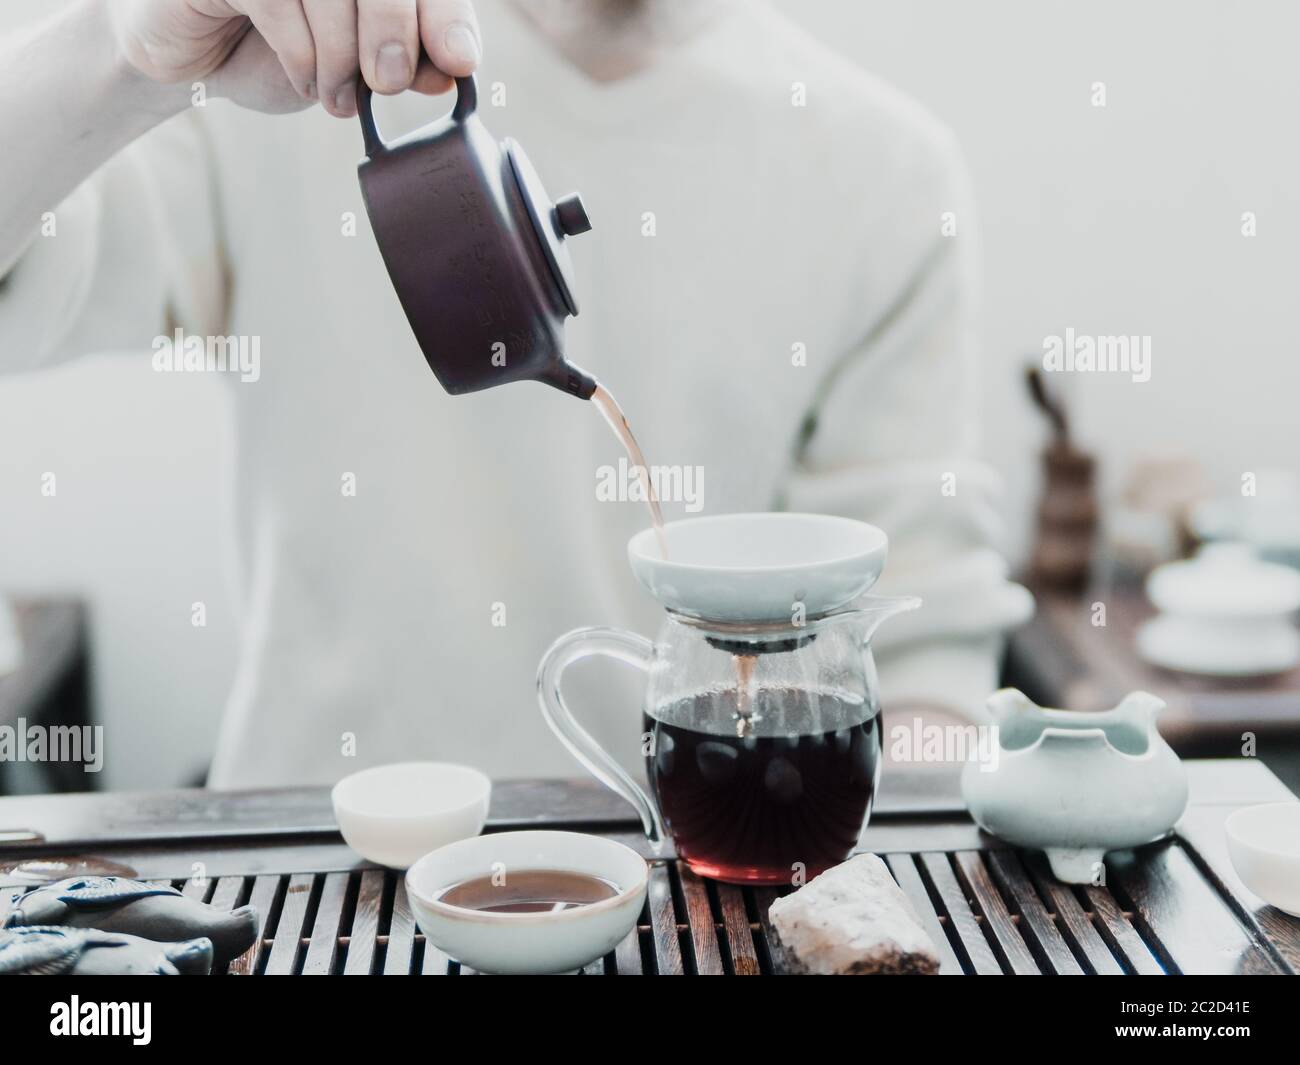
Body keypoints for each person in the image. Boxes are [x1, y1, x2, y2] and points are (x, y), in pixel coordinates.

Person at [0, 0, 1030, 788]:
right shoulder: (295, 66)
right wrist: (120, 55)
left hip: (686, 891)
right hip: (321, 860)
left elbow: (918, 642)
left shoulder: (883, 169)